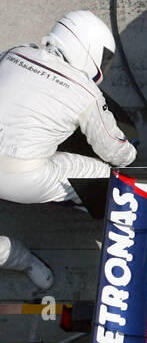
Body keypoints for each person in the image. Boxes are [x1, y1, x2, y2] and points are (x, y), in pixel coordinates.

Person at [0, 11, 135, 205]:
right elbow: (112, 150)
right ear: (90, 47)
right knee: (105, 176)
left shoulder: (13, 53)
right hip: (21, 178)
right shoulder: (86, 91)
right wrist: (129, 158)